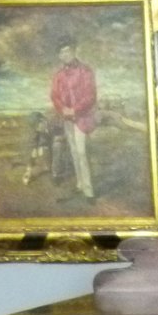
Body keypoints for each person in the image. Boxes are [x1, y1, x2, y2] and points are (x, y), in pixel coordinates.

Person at [50, 36, 97, 200]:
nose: (65, 55)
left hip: (82, 118)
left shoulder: (85, 70)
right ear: (59, 56)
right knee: (74, 152)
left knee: (82, 152)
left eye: (68, 51)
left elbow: (90, 95)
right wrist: (63, 110)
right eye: (62, 52)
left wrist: (74, 110)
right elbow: (54, 96)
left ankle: (89, 191)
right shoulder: (58, 75)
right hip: (66, 118)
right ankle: (80, 184)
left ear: (74, 51)